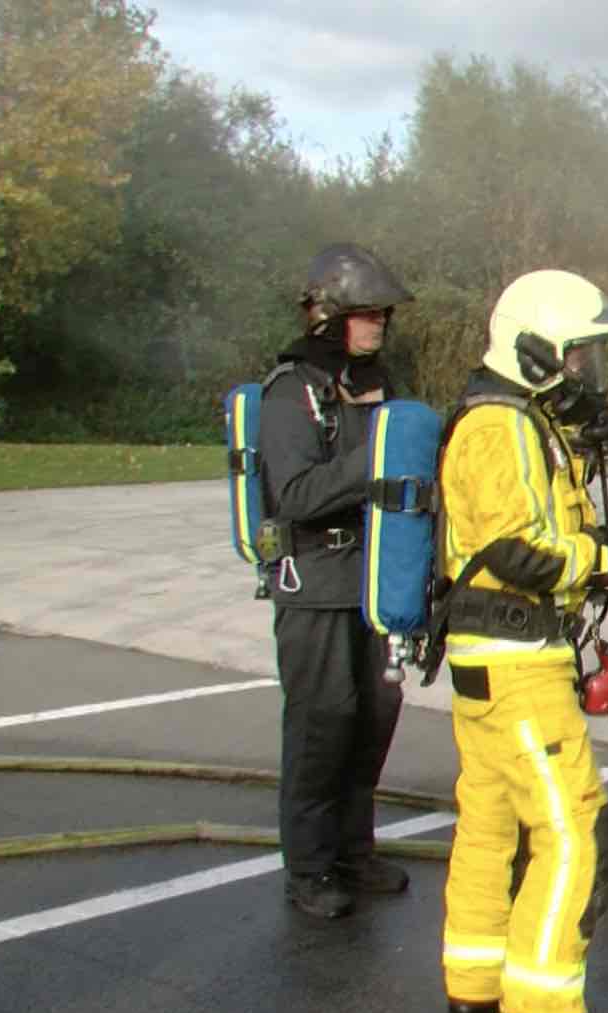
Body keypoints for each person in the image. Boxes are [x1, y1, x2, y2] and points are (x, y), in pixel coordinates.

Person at [434, 269, 608, 1013]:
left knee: (490, 829)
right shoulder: (501, 427)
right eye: (581, 357)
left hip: (495, 659)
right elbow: (519, 551)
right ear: (536, 352)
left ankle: (474, 989)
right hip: (517, 659)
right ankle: (549, 1012)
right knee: (575, 835)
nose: (589, 376)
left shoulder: (518, 421)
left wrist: (600, 555)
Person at [259, 242, 414, 920]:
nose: (378, 321)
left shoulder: (383, 382)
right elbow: (293, 491)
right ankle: (311, 869)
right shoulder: (292, 389)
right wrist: (376, 458)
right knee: (324, 722)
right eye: (365, 311)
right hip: (315, 579)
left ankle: (354, 851)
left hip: (376, 579)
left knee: (374, 717)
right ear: (328, 314)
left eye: (383, 311)